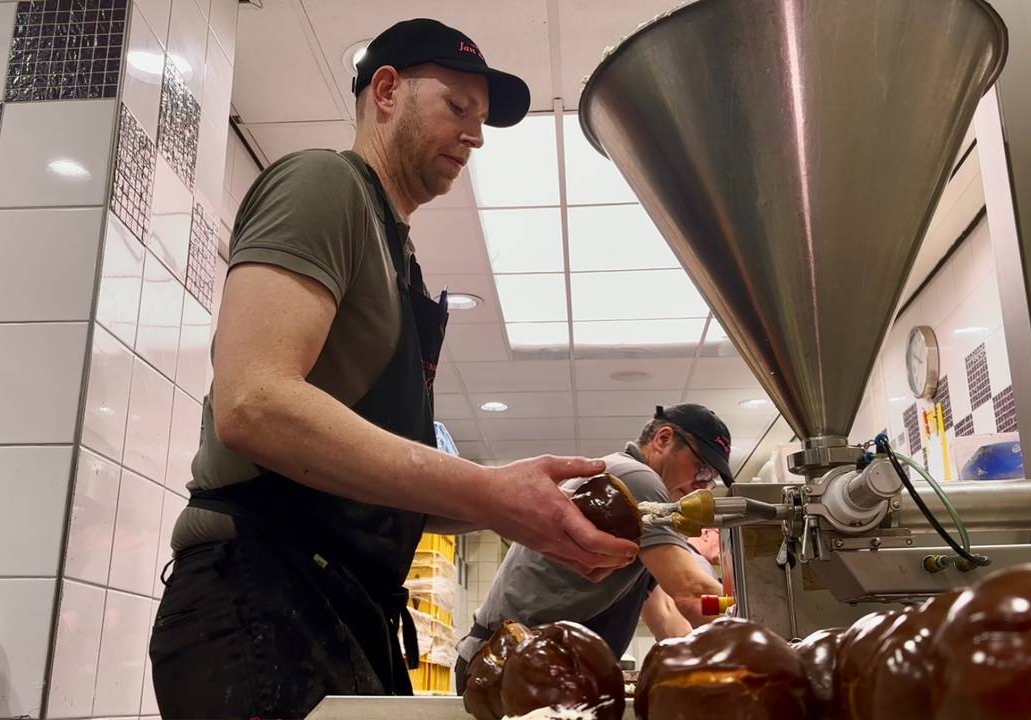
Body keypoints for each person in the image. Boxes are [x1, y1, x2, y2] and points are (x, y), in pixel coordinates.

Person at [148, 18, 637, 719]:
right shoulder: (322, 184)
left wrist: (524, 508)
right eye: (458, 107)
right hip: (259, 597)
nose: (475, 134)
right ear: (385, 91)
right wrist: (489, 492)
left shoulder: (397, 258)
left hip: (340, 607)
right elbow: (252, 401)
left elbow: (380, 480)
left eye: (482, 121)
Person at [455, 404, 735, 690]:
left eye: (710, 481)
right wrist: (748, 636)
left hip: (522, 667)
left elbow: (663, 612)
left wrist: (696, 669)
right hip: (507, 668)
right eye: (702, 470)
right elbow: (693, 594)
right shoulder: (637, 480)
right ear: (663, 439)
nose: (701, 488)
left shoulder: (646, 510)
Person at [639, 529, 722, 640]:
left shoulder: (657, 558)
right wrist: (733, 603)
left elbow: (663, 610)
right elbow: (699, 601)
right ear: (706, 534)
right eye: (722, 536)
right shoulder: (694, 560)